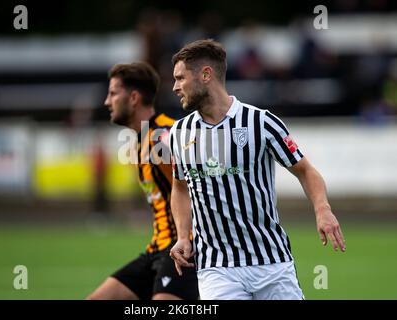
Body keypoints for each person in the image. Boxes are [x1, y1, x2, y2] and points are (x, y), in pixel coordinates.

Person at [168, 39, 346, 300]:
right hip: (217, 269)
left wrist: (323, 210)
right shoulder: (179, 133)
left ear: (206, 75)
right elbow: (180, 187)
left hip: (271, 262)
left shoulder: (260, 123)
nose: (174, 87)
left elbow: (305, 171)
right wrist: (183, 236)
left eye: (180, 78)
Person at [86, 62, 199, 300]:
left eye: (113, 93)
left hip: (182, 250)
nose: (107, 102)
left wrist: (189, 242)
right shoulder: (142, 140)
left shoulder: (162, 138)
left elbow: (194, 189)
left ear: (134, 97)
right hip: (157, 249)